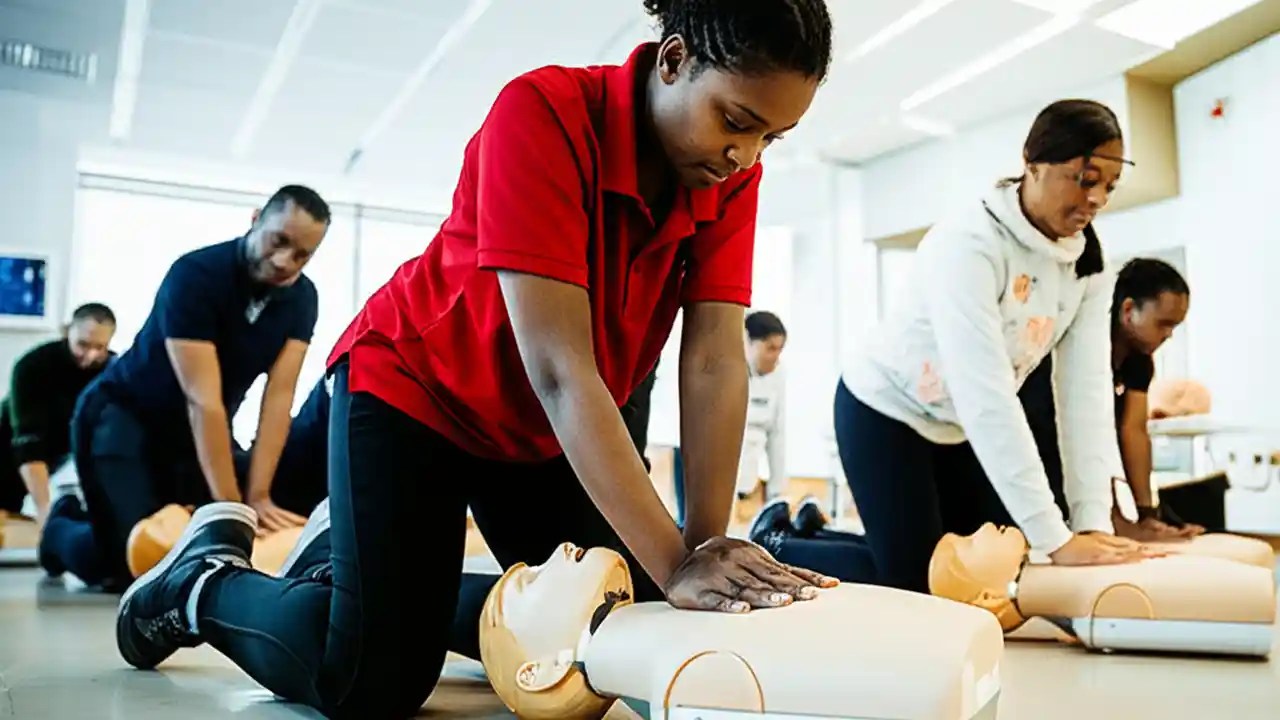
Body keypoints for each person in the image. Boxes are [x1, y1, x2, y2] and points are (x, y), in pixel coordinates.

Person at [114, 3, 838, 718]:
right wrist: (680, 563)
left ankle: (355, 580)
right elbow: (559, 367)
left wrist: (704, 547)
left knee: (614, 618)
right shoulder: (543, 111)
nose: (746, 155)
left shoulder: (729, 172)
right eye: (737, 122)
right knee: (373, 682)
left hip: (536, 430)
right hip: (417, 394)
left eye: (773, 137)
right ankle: (201, 581)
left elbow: (714, 359)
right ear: (675, 60)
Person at [752, 99, 1155, 593]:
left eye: (1110, 187)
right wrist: (1057, 539)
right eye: (1085, 179)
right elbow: (985, 393)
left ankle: (815, 534)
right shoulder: (969, 242)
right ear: (1032, 162)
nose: (1097, 199)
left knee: (988, 566)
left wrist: (1090, 522)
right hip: (885, 409)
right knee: (919, 581)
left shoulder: (1087, 261)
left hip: (957, 427)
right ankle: (777, 543)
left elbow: (1083, 393)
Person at [37, 185, 329, 590]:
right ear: (256, 217)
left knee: (191, 546)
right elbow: (202, 400)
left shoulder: (302, 299)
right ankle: (59, 528)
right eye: (279, 241)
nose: (285, 261)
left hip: (198, 428)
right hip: (123, 417)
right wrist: (235, 510)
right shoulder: (196, 274)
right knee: (134, 565)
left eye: (302, 255)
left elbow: (278, 401)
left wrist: (259, 495)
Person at [1028, 257, 1197, 541]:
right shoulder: (1087, 349)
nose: (1168, 335)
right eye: (1163, 324)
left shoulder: (1139, 362)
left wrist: (1147, 515)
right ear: (1128, 310)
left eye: (1175, 327)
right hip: (1049, 447)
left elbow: (1133, 431)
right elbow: (1088, 435)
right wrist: (1113, 519)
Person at [0, 303, 116, 526]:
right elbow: (28, 443)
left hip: (53, 460)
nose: (91, 355)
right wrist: (44, 511)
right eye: (83, 345)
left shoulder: (111, 373)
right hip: (7, 454)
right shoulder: (32, 366)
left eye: (100, 347)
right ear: (66, 331)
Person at [672, 309, 789, 524]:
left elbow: (777, 436)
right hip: (707, 472)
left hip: (746, 481)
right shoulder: (722, 370)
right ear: (748, 342)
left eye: (780, 350)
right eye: (770, 348)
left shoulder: (777, 377)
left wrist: (777, 493)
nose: (775, 357)